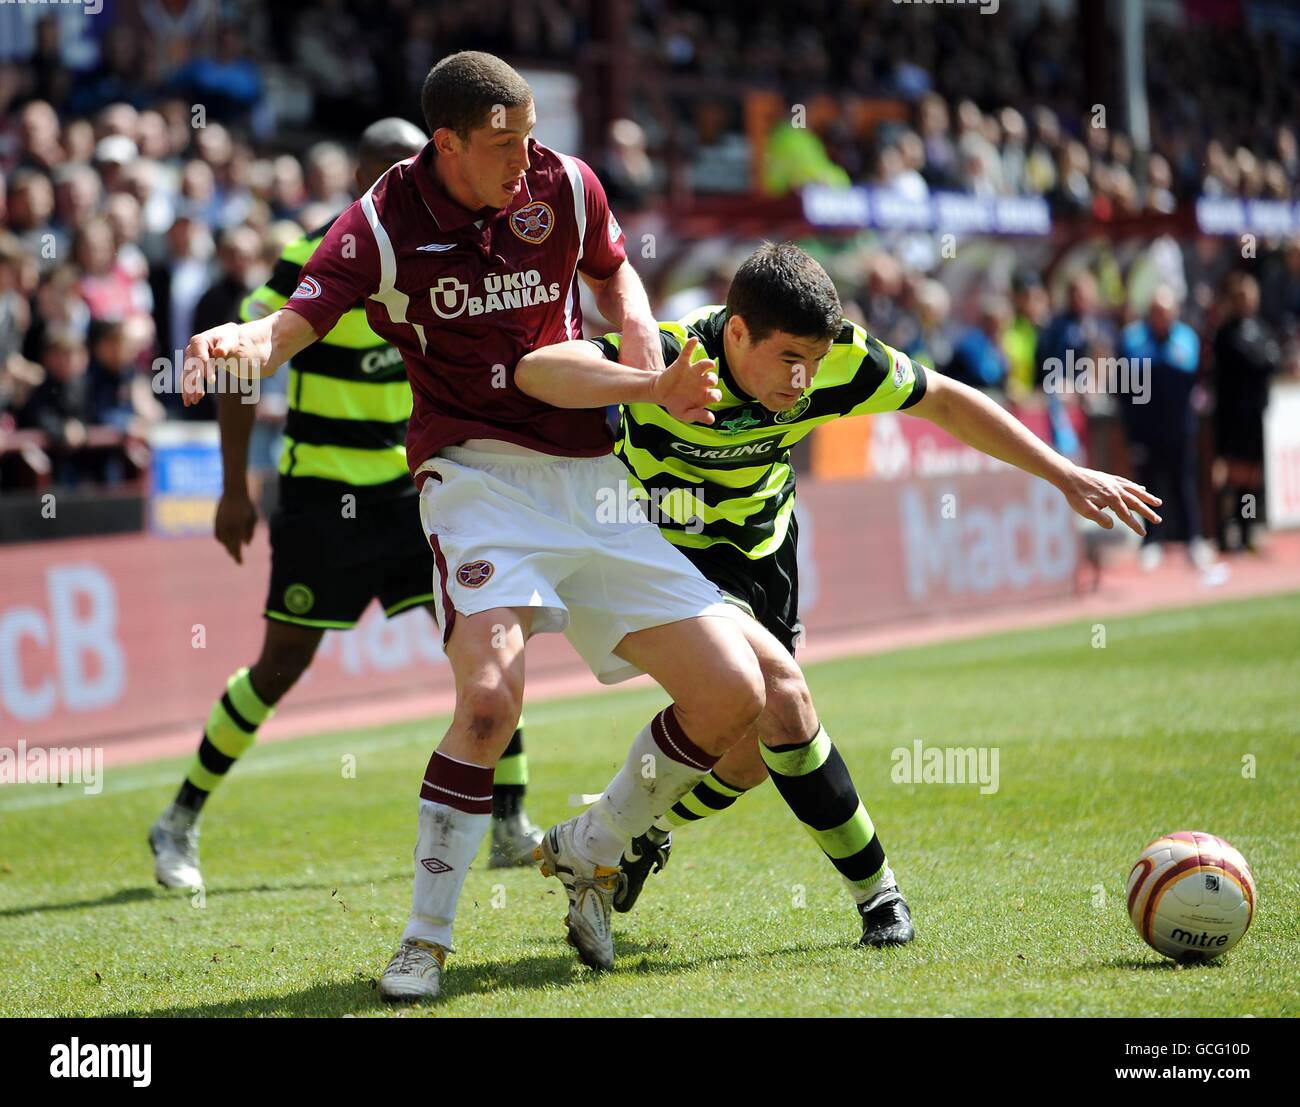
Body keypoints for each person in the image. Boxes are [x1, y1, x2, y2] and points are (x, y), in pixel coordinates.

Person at [179, 52, 766, 1001]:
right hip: (477, 476)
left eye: (530, 134)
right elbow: (290, 325)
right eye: (503, 143)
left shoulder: (565, 183)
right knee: (490, 703)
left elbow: (617, 276)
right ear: (445, 145)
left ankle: (590, 846)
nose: (524, 157)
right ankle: (423, 942)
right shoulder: (380, 223)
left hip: (591, 476)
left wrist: (646, 350)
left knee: (735, 698)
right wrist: (247, 342)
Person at [514, 243, 1161, 940]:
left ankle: (631, 831)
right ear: (736, 333)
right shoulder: (669, 354)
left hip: (767, 556)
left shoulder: (839, 360)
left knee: (747, 757)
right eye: (791, 358)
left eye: (816, 361)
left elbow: (941, 398)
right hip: (673, 560)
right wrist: (629, 389)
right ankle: (879, 894)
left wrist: (1064, 473)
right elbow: (539, 372)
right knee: (786, 698)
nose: (805, 379)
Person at [148, 118, 549, 891]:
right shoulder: (314, 257)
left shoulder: (442, 258)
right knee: (279, 666)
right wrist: (235, 488)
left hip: (414, 494)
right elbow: (239, 357)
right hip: (322, 498)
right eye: (392, 169)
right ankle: (179, 818)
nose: (409, 179)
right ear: (367, 177)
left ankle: (509, 821)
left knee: (488, 639)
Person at [1118, 286, 1221, 578]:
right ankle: (1152, 542)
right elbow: (1123, 388)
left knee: (1184, 484)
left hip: (1180, 427)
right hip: (1146, 430)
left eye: (1165, 311)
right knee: (1149, 487)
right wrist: (1131, 430)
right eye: (1156, 311)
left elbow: (1197, 379)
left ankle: (1193, 540)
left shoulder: (1187, 339)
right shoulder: (1133, 341)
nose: (1161, 317)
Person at [1212, 272, 1278, 553]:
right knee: (1232, 475)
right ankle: (1228, 530)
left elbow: (1271, 359)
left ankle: (1248, 528)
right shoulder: (1226, 333)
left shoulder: (1261, 329)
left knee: (1252, 476)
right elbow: (1252, 360)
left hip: (1255, 416)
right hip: (1231, 417)